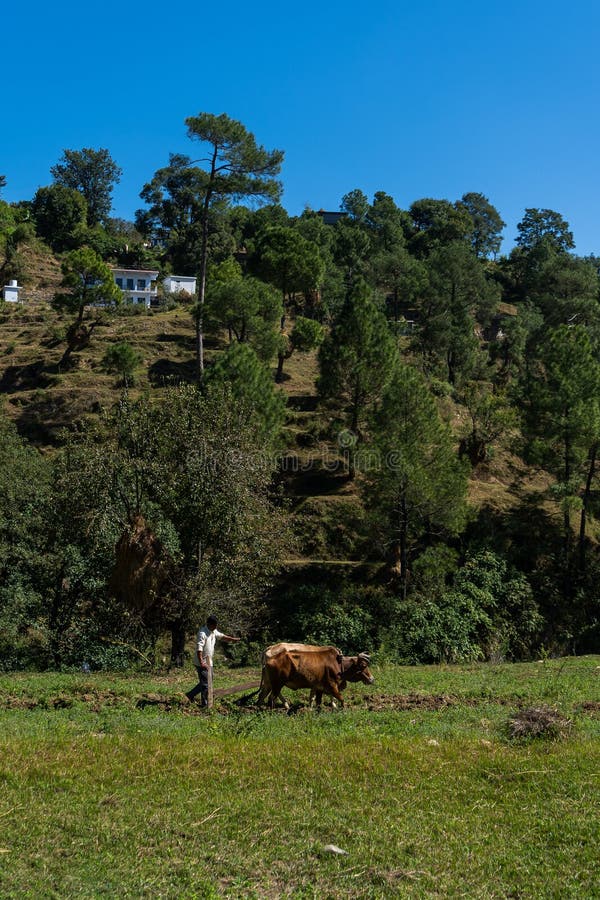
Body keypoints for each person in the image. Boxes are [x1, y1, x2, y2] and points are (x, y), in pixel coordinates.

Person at [185, 614, 240, 707]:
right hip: (201, 662)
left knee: (207, 681)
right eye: (214, 625)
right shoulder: (202, 633)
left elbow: (221, 636)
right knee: (206, 683)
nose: (215, 627)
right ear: (208, 624)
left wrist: (232, 639)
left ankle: (190, 695)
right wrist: (202, 662)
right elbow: (199, 649)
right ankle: (205, 703)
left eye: (216, 625)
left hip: (209, 661)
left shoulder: (213, 631)